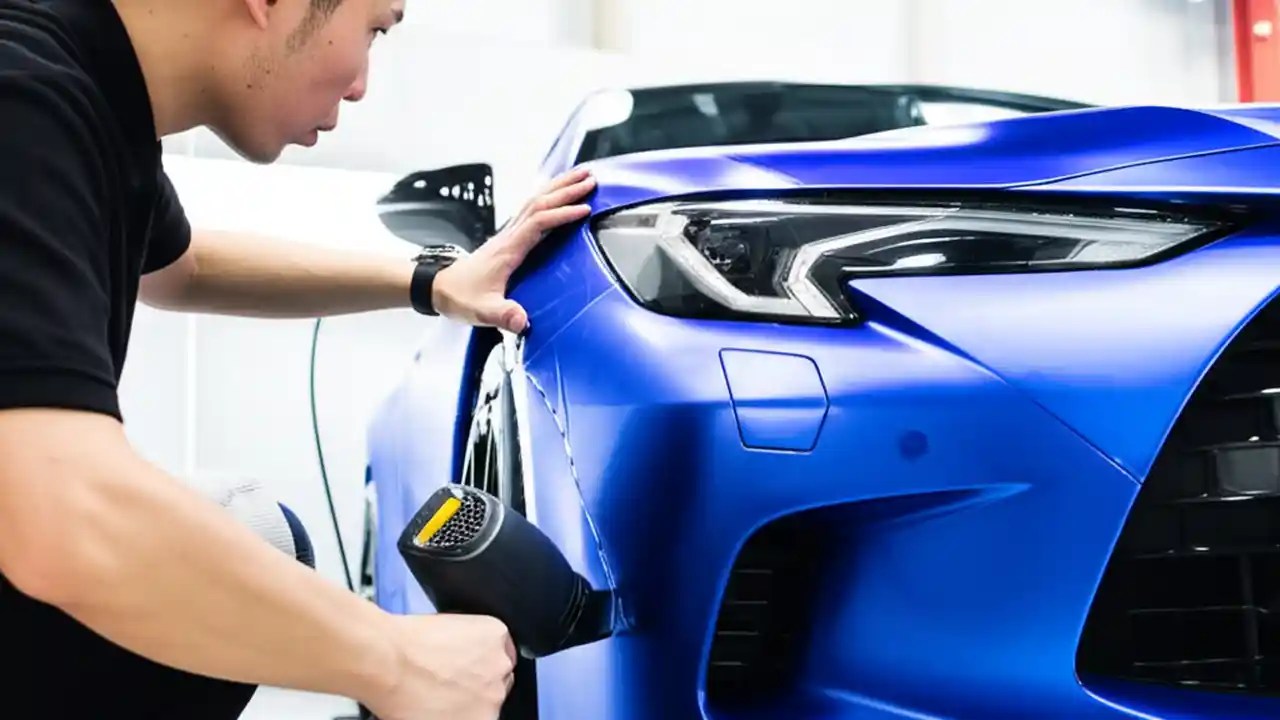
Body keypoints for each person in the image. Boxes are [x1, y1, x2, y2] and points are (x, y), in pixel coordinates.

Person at [0, 0, 596, 717]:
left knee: (259, 535)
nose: (361, 85)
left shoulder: (93, 101)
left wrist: (431, 282)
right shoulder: (24, 100)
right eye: (375, 27)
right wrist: (393, 659)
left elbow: (181, 268)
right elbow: (67, 516)